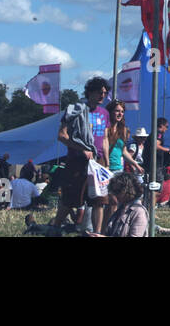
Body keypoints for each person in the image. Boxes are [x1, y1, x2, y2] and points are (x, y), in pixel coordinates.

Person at [53, 77, 111, 233]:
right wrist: (80, 149)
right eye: (99, 92)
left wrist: (106, 159)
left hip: (97, 162)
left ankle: (96, 233)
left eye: (105, 93)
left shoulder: (104, 113)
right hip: (77, 160)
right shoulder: (75, 111)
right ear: (90, 92)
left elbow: (105, 138)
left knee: (99, 200)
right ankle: (55, 227)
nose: (102, 95)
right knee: (71, 198)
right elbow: (62, 135)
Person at [90, 172, 148, 237]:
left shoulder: (139, 212)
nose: (115, 194)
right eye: (113, 191)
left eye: (117, 191)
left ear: (128, 191)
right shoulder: (120, 209)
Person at [105, 100, 140, 177]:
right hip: (105, 168)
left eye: (122, 111)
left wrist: (135, 164)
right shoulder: (105, 129)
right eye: (117, 111)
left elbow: (123, 151)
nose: (120, 114)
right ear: (110, 112)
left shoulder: (123, 130)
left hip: (118, 169)